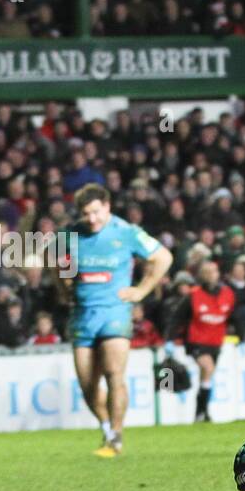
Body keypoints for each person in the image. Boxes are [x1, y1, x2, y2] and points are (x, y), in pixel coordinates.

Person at [60, 183, 173, 457]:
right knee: (88, 386)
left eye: (96, 212)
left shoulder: (126, 232)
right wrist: (64, 288)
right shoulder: (69, 235)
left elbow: (163, 257)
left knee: (114, 375)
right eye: (86, 214)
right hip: (83, 316)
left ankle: (117, 437)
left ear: (107, 206)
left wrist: (142, 290)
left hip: (115, 313)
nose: (92, 219)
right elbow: (57, 263)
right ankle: (107, 428)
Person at [170, 259, 235, 423]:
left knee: (206, 377)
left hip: (215, 342)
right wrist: (169, 339)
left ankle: (200, 413)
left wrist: (242, 333)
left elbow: (234, 316)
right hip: (196, 341)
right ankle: (203, 411)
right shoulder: (193, 295)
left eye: (214, 271)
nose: (212, 275)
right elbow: (177, 317)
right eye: (208, 272)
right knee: (208, 367)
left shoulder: (228, 294)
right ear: (202, 275)